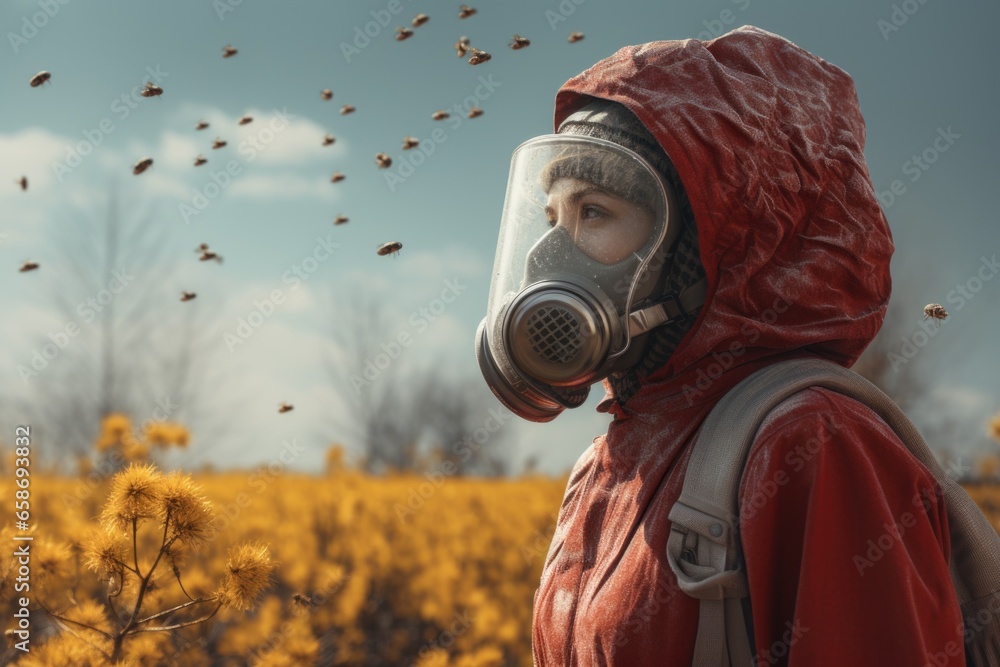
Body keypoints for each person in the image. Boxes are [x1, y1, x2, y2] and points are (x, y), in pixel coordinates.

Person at [475, 25, 967, 665]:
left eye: (592, 212)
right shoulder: (604, 465)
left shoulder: (814, 443)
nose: (548, 254)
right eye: (551, 219)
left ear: (706, 247)